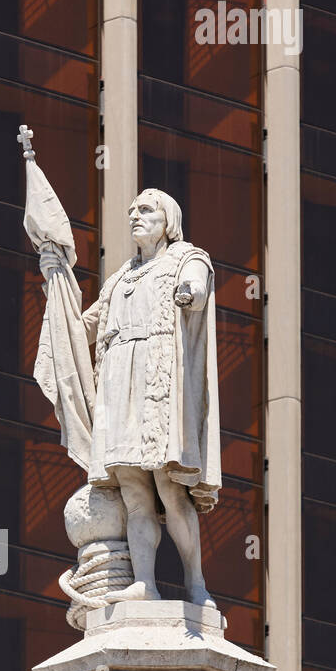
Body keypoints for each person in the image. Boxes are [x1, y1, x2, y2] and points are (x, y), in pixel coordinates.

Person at [79, 188, 222, 607]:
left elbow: (196, 289)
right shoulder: (119, 278)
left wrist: (188, 295)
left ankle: (196, 583)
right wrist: (56, 283)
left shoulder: (187, 258)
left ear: (168, 219)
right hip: (119, 379)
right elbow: (82, 328)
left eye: (145, 210)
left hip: (159, 385)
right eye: (131, 211)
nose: (135, 217)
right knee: (134, 491)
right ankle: (145, 582)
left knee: (169, 484)